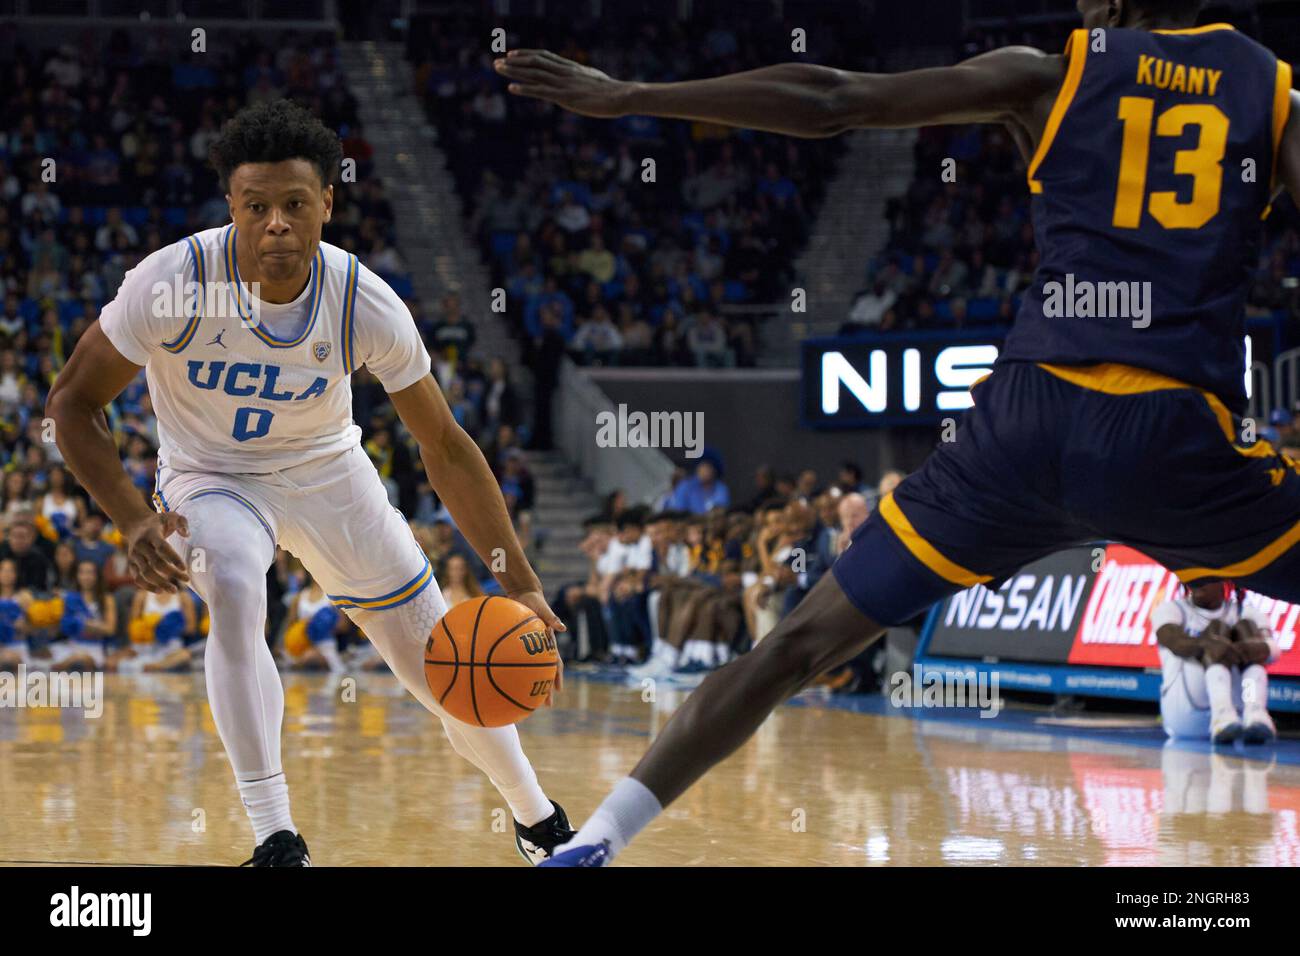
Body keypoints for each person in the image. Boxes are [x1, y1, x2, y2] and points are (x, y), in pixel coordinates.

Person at [496, 0, 1300, 866]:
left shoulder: (1055, 68)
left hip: (1024, 424)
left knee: (795, 646)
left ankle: (599, 839)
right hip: (1175, 435)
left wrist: (631, 94)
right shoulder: (1270, 86)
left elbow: (833, 96)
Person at [46, 99, 574, 867]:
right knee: (230, 581)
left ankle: (536, 816)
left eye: (295, 204)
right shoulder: (172, 284)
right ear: (231, 205)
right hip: (211, 476)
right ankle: (276, 836)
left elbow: (446, 447)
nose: (276, 225)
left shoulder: (365, 302)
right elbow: (71, 402)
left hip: (329, 473)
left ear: (327, 202)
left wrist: (518, 579)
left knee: (444, 664)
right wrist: (132, 518)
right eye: (255, 206)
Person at [1152, 580, 1278, 743]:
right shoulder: (1172, 609)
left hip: (1239, 720)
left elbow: (1274, 650)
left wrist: (1250, 649)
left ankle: (1255, 712)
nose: (1196, 582)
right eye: (1192, 576)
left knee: (1247, 630)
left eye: (1205, 576)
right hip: (1186, 716)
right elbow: (1174, 641)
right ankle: (1221, 713)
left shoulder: (1246, 612)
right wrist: (1210, 645)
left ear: (1224, 579)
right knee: (1217, 630)